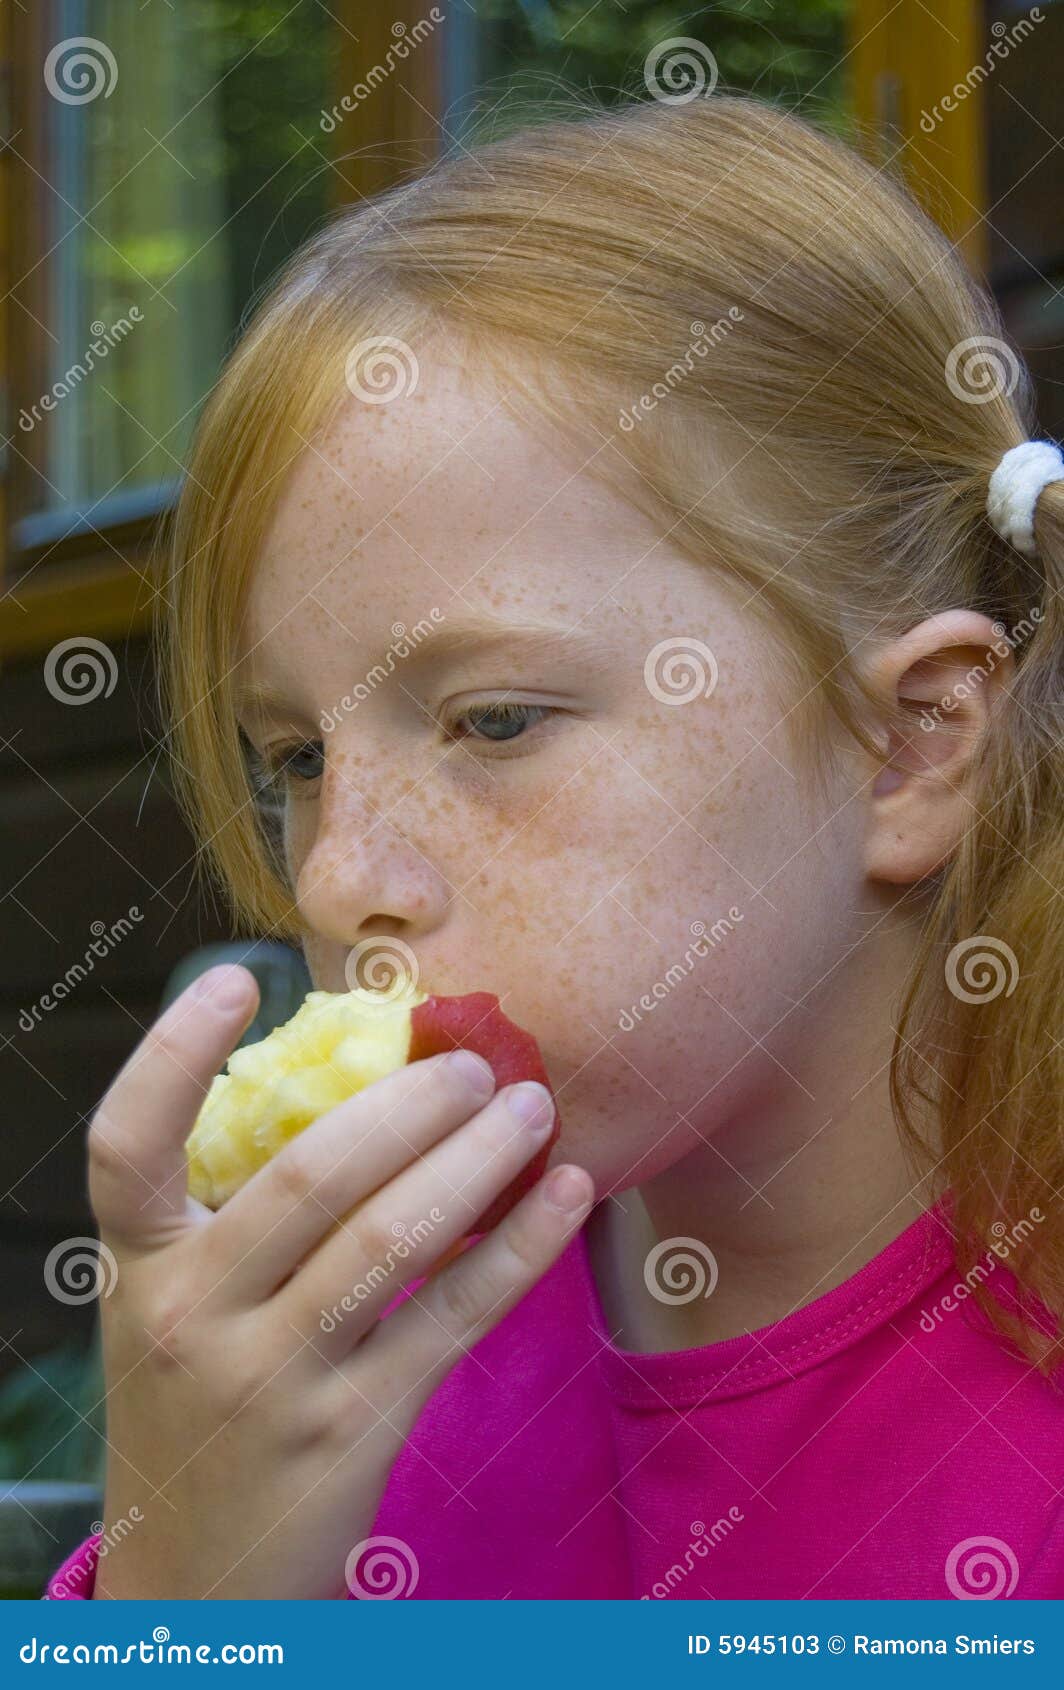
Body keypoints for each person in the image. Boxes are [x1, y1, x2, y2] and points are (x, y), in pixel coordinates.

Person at [45, 89, 1064, 1601]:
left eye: (496, 721)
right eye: (300, 758)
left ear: (912, 744)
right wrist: (187, 1592)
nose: (337, 877)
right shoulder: (332, 1373)